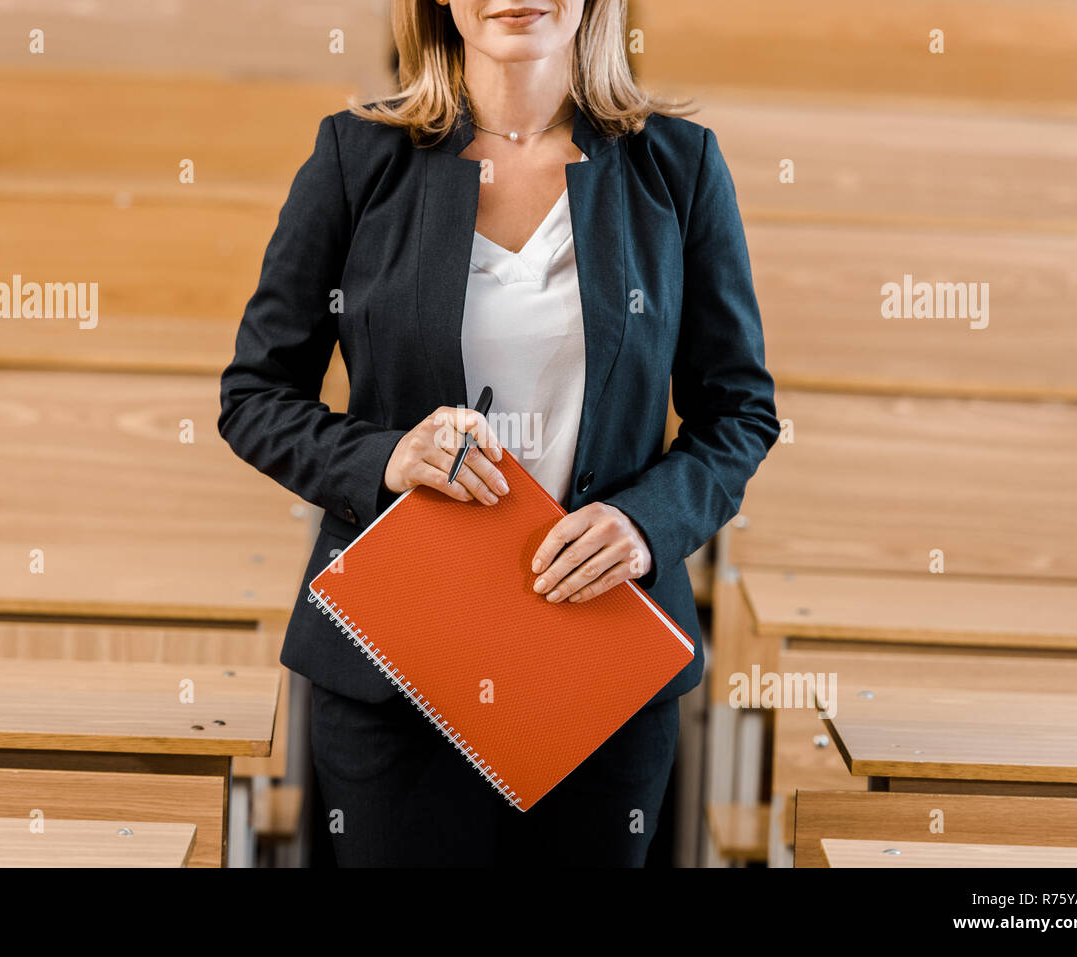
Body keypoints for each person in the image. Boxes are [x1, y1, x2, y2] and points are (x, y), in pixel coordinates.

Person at [219, 0, 779, 866]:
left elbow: (739, 411)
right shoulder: (354, 157)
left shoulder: (679, 165)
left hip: (599, 663)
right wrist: (385, 458)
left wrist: (645, 524)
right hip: (396, 669)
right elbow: (254, 395)